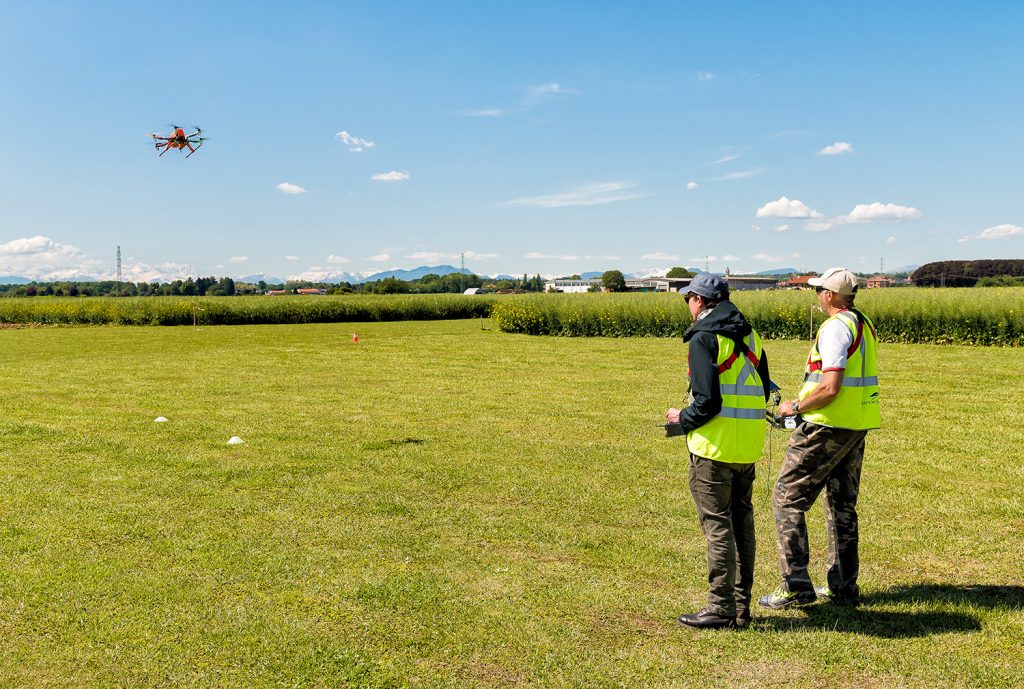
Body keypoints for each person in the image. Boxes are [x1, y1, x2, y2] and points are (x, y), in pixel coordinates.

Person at [758, 267, 880, 610]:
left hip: (826, 425)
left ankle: (796, 585)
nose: (816, 295)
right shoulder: (862, 323)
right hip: (856, 424)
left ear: (828, 295)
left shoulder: (834, 328)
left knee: (787, 498)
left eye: (818, 290)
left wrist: (794, 406)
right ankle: (843, 586)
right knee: (841, 504)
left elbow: (830, 386)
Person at [667, 272, 771, 630]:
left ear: (700, 300)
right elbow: (764, 386)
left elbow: (707, 402)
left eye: (688, 298)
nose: (688, 305)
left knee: (718, 528)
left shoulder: (703, 338)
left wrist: (680, 417)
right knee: (742, 525)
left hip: (713, 448)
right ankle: (741, 607)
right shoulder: (750, 337)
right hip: (748, 446)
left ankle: (720, 607)